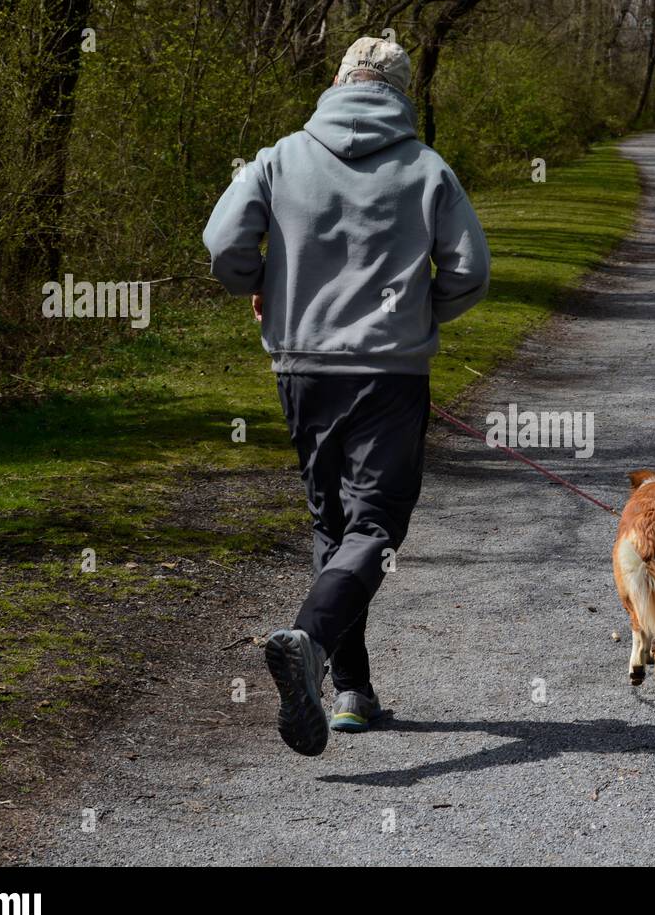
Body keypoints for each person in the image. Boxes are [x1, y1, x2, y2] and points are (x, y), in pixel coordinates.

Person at [202, 37, 491, 756]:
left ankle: (351, 691)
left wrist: (259, 284)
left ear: (336, 85)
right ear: (399, 95)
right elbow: (470, 271)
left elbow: (221, 245)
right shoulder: (426, 168)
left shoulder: (278, 158)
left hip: (302, 369)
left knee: (333, 523)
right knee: (376, 527)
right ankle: (312, 641)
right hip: (390, 374)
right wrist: (422, 315)